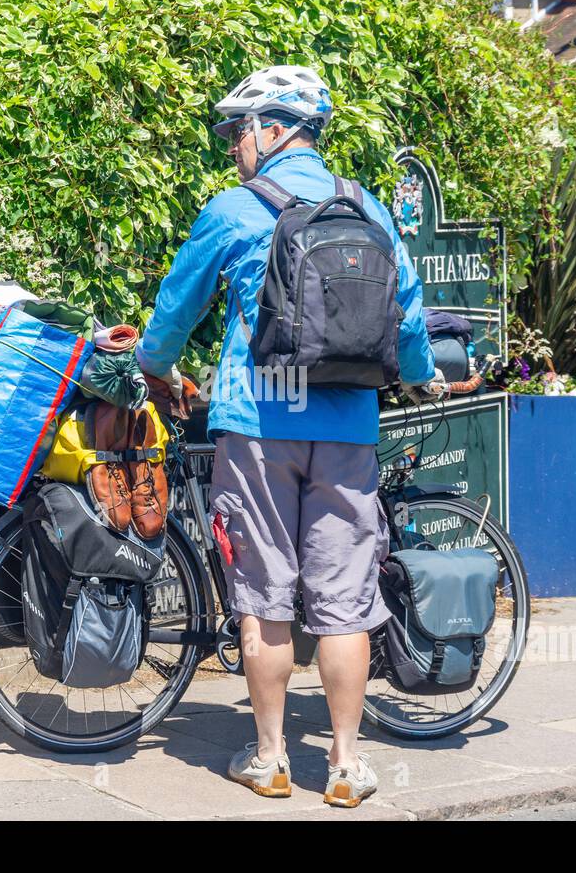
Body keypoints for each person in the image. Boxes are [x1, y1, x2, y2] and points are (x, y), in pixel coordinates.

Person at [136, 65, 444, 807]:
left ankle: (271, 757)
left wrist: (155, 369)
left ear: (274, 129)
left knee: (265, 596)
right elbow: (406, 323)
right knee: (345, 600)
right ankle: (344, 764)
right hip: (347, 428)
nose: (234, 147)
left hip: (258, 426)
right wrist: (420, 374)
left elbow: (175, 312)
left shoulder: (234, 211)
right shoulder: (368, 207)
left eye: (238, 131)